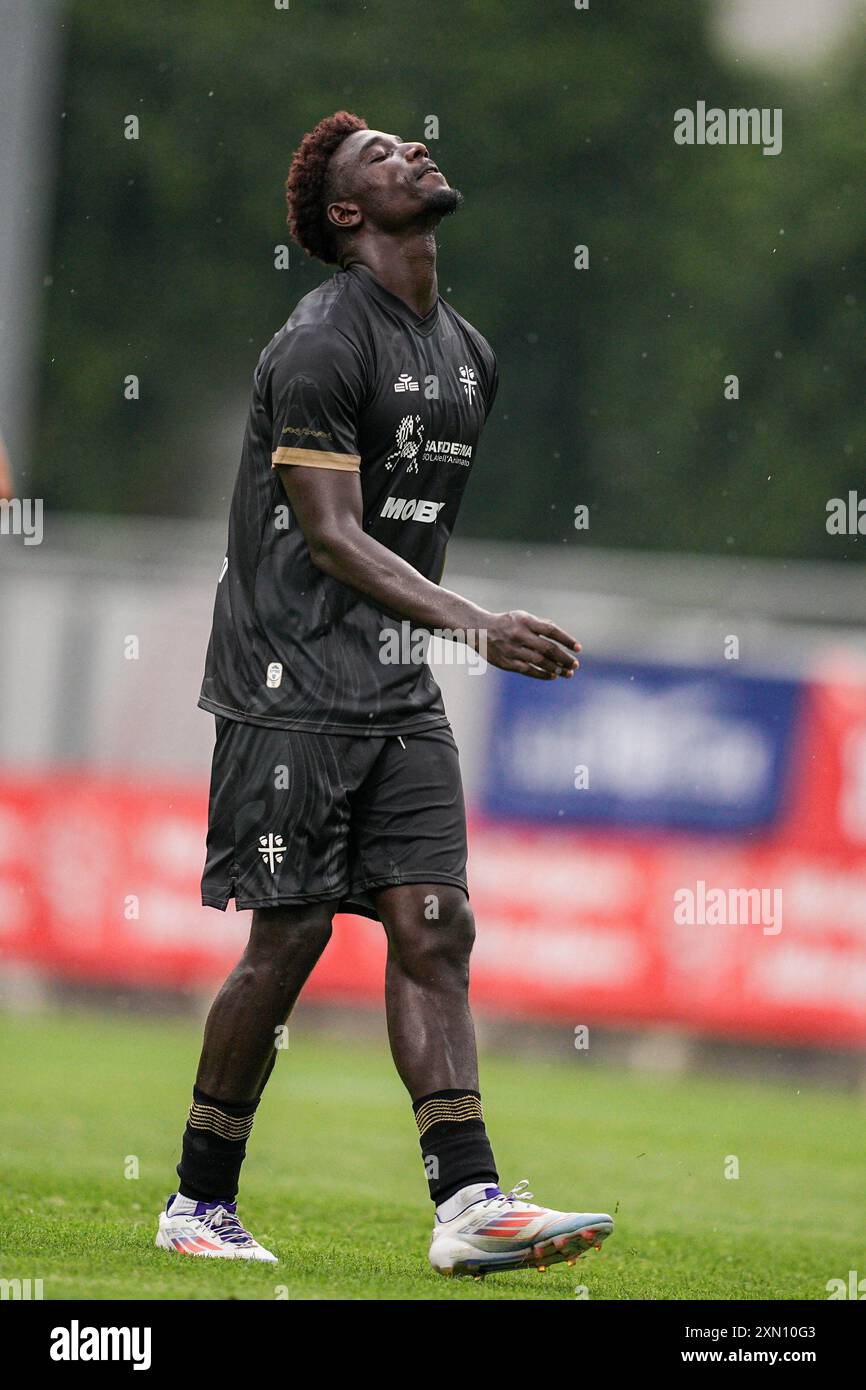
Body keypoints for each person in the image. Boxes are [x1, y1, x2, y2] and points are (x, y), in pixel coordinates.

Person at [155, 111, 613, 1276]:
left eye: (410, 142)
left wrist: (444, 636)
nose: (412, 150)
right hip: (284, 681)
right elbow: (329, 535)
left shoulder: (467, 351)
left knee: (434, 924)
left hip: (395, 686)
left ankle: (466, 1203)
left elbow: (414, 529)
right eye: (380, 159)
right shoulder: (317, 340)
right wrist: (478, 626)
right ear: (347, 216)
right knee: (292, 934)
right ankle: (198, 1200)